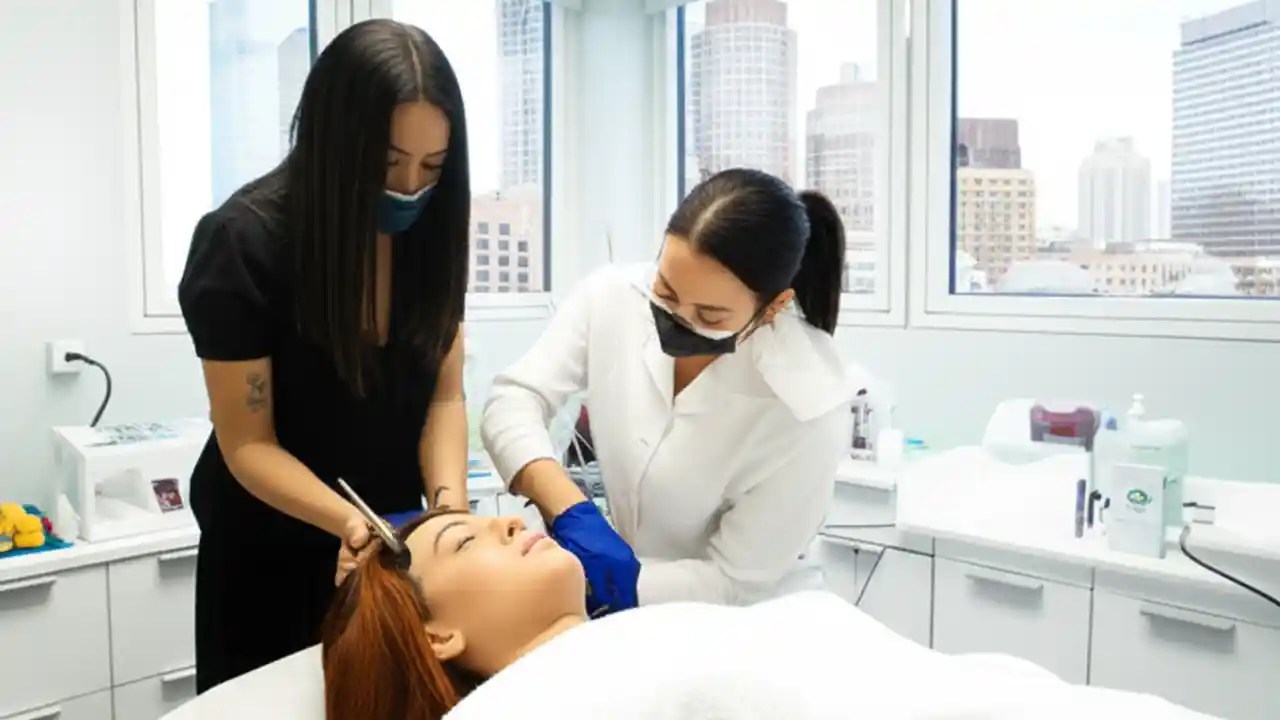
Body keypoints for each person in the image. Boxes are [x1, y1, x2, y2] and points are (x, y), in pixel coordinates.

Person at [177, 19, 472, 693]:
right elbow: (248, 443)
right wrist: (351, 523)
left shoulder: (435, 235)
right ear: (334, 144)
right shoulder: (243, 246)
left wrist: (448, 512)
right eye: (388, 163)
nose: (408, 188)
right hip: (270, 547)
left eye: (431, 168)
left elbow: (445, 396)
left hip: (391, 542)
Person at [320, 510, 1212, 720]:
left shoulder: (632, 639)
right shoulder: (516, 705)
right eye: (469, 541)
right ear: (439, 635)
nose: (512, 515)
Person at [482, 168, 855, 614]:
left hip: (746, 623)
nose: (677, 317)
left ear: (772, 307)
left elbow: (732, 583)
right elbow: (513, 400)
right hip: (627, 613)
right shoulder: (612, 297)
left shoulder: (808, 406)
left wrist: (608, 582)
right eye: (666, 291)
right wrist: (569, 511)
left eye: (710, 315)